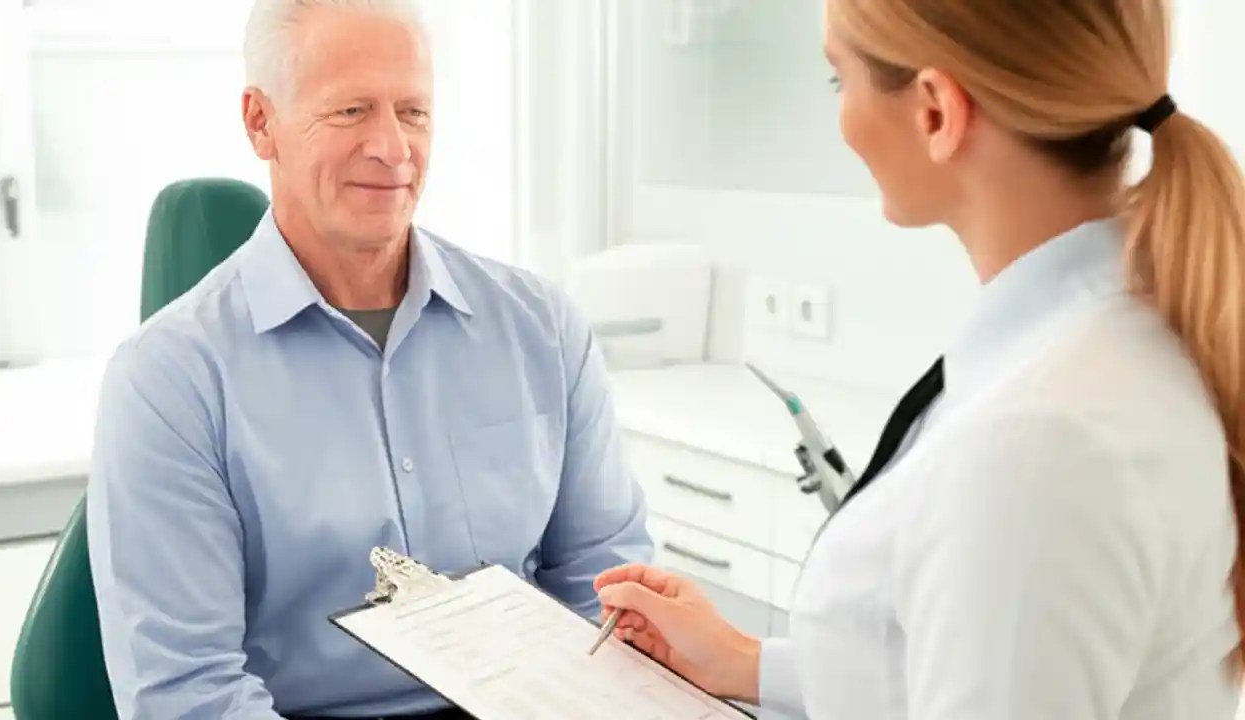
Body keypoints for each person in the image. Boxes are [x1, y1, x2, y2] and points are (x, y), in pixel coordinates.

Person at [596, 1, 1245, 718]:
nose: (840, 120)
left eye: (838, 81)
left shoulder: (1037, 445)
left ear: (936, 110)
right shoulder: (1121, 341)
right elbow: (988, 658)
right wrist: (745, 663)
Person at [86, 1, 651, 718]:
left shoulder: (541, 328)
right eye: (351, 111)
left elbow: (603, 592)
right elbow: (186, 692)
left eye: (412, 112)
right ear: (261, 123)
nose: (392, 147)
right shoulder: (168, 380)